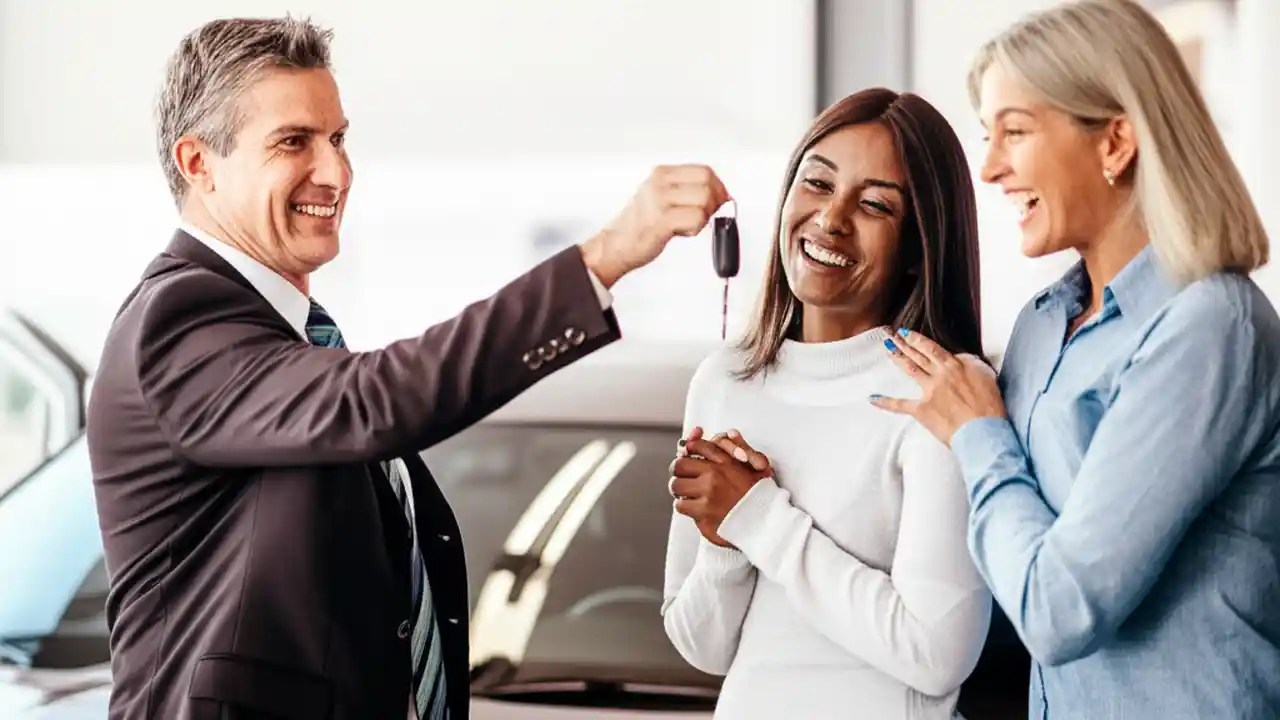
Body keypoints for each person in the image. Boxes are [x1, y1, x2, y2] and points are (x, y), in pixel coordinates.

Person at [86, 17, 730, 720]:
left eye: (337, 138)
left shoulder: (282, 336)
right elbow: (378, 400)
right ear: (198, 163)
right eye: (293, 142)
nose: (336, 172)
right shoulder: (179, 319)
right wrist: (608, 255)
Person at [871, 1, 1280, 717]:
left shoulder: (1210, 325)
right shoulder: (1040, 327)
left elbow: (1060, 610)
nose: (991, 166)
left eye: (1016, 132)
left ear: (1116, 141)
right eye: (986, 136)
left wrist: (977, 434)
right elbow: (1004, 582)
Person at [660, 87, 991, 719]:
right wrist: (725, 546)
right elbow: (702, 645)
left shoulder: (940, 387)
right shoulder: (726, 379)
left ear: (921, 249)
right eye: (817, 183)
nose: (832, 218)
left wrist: (758, 518)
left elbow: (937, 653)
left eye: (873, 205)